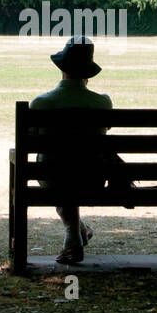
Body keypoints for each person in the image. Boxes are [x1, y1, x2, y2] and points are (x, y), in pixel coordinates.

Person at [30, 36, 117, 265]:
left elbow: (31, 140)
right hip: (92, 179)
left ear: (62, 68)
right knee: (76, 167)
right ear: (88, 72)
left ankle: (74, 239)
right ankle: (78, 233)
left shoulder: (40, 103)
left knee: (60, 171)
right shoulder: (103, 103)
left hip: (52, 178)